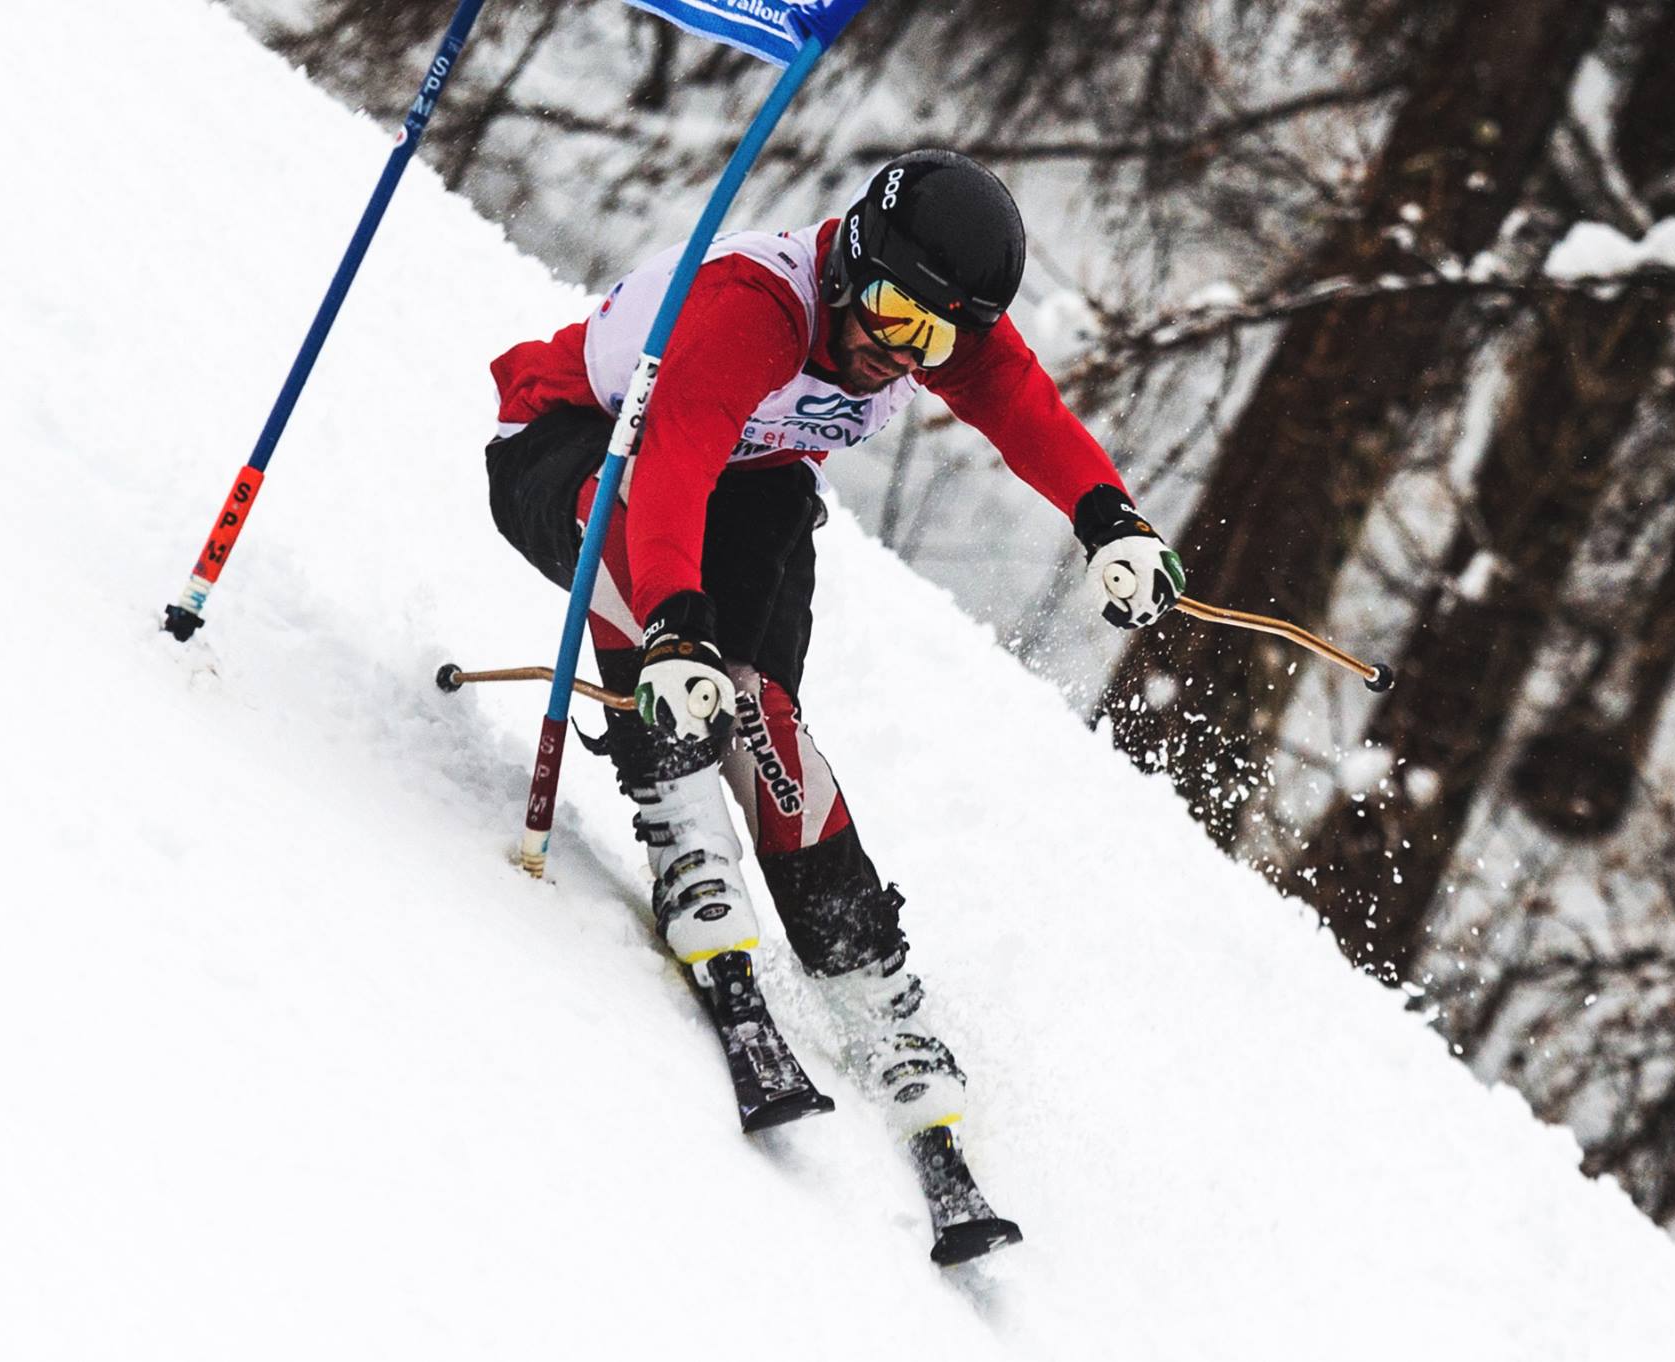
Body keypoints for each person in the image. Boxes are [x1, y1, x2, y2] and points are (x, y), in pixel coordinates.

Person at [483, 148, 1184, 1157]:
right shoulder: (753, 308)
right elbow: (673, 457)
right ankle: (685, 840)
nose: (904, 353)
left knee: (753, 707)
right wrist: (674, 622)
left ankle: (865, 970)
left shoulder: (930, 326)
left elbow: (1024, 408)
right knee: (652, 576)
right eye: (895, 317)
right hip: (572, 447)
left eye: (935, 340)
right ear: (852, 265)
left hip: (746, 481)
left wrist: (1110, 520)